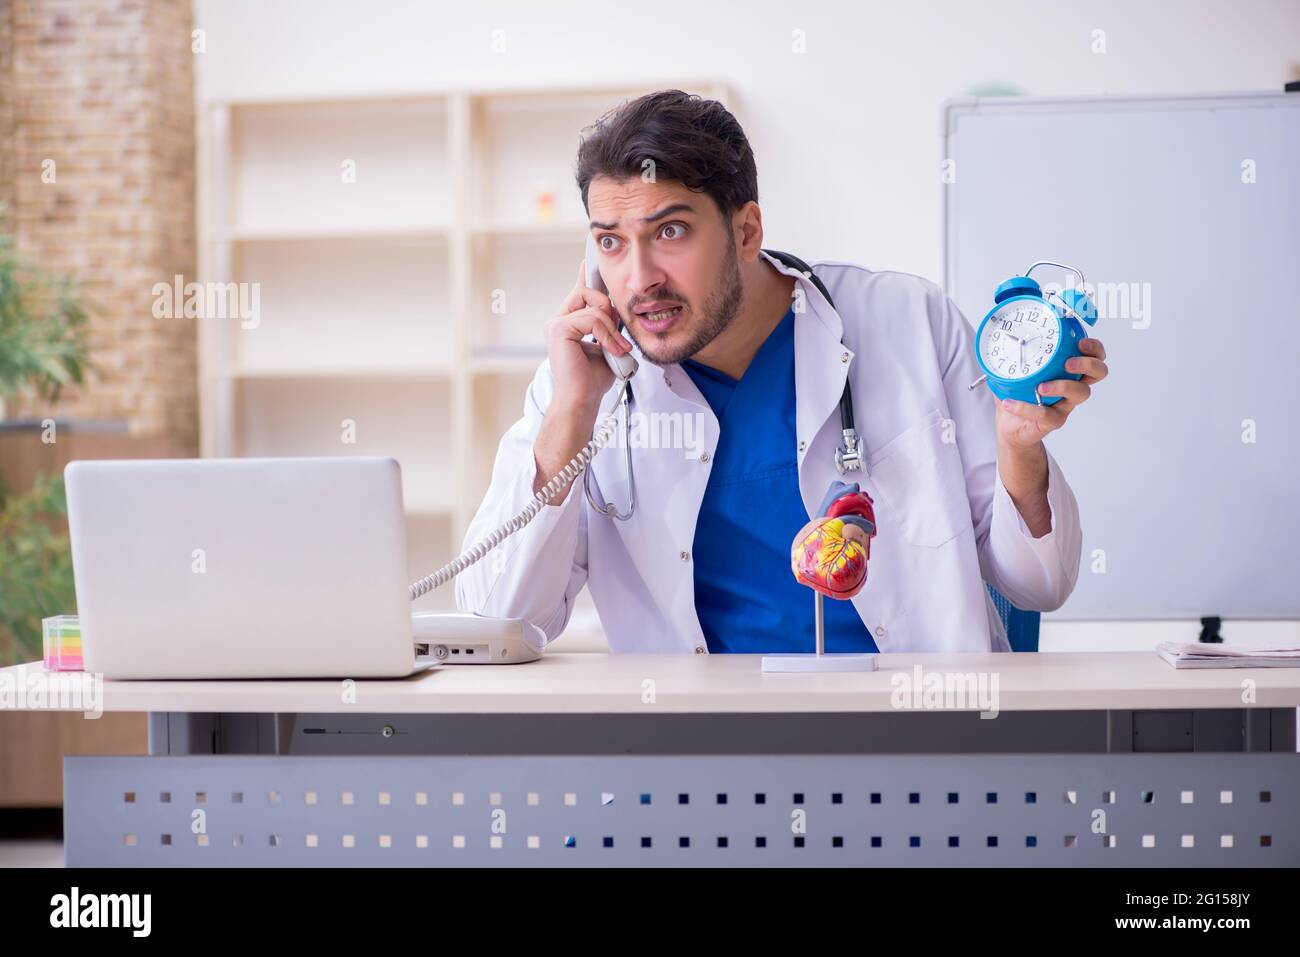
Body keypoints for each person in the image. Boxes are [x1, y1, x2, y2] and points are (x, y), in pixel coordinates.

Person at [455, 90, 1108, 654]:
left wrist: (1021, 443)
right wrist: (570, 415)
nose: (640, 277)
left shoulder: (908, 322)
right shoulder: (587, 389)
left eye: (671, 231)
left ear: (747, 231)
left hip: (915, 737)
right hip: (700, 767)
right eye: (610, 242)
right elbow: (500, 623)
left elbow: (1040, 583)